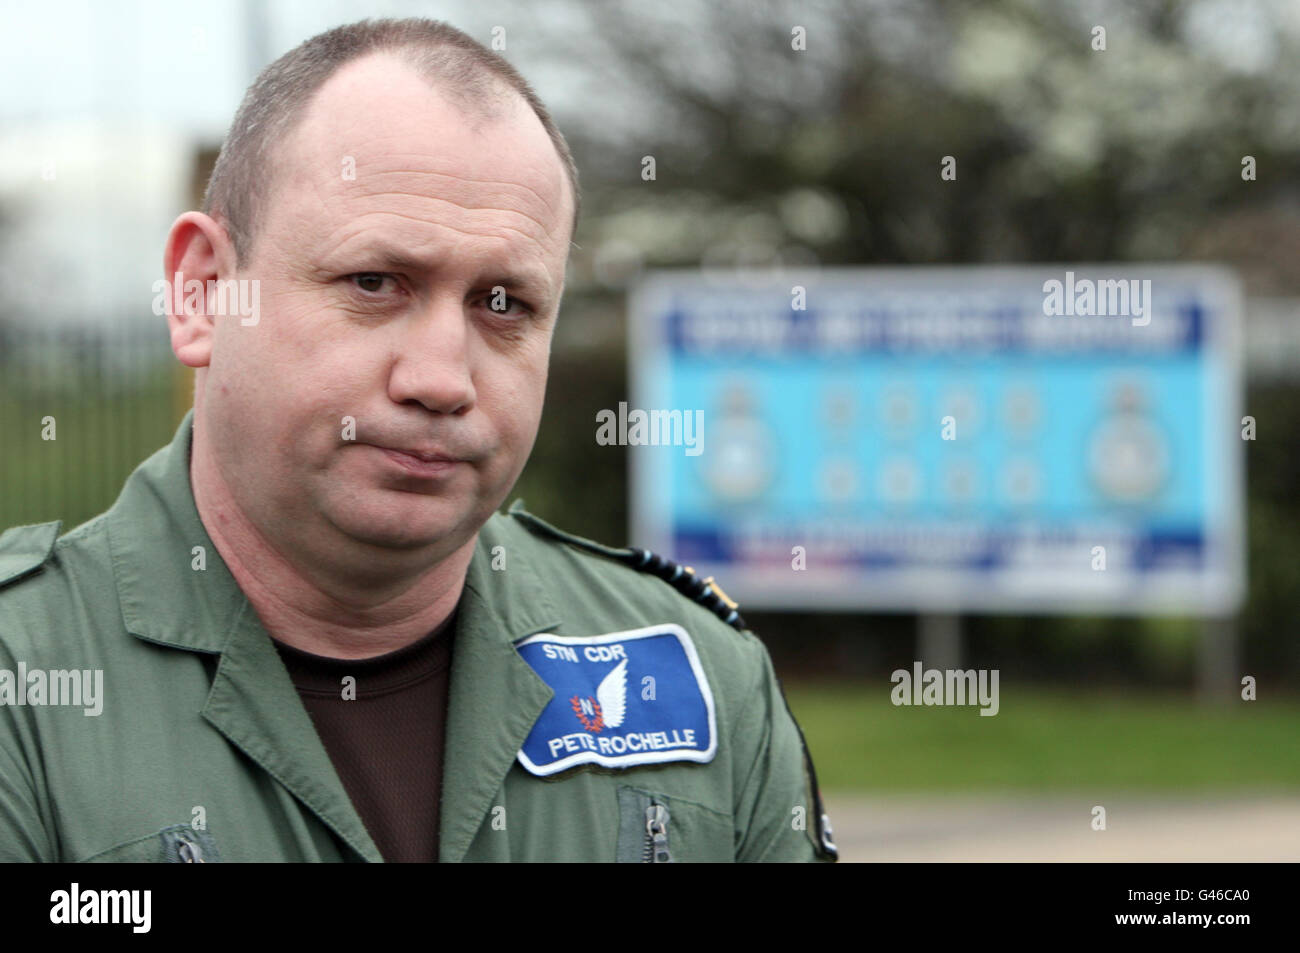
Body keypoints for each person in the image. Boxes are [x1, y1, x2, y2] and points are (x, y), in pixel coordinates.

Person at [0, 17, 835, 863]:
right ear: (203, 294)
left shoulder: (697, 680)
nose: (442, 378)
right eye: (374, 283)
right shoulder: (23, 693)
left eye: (503, 303)